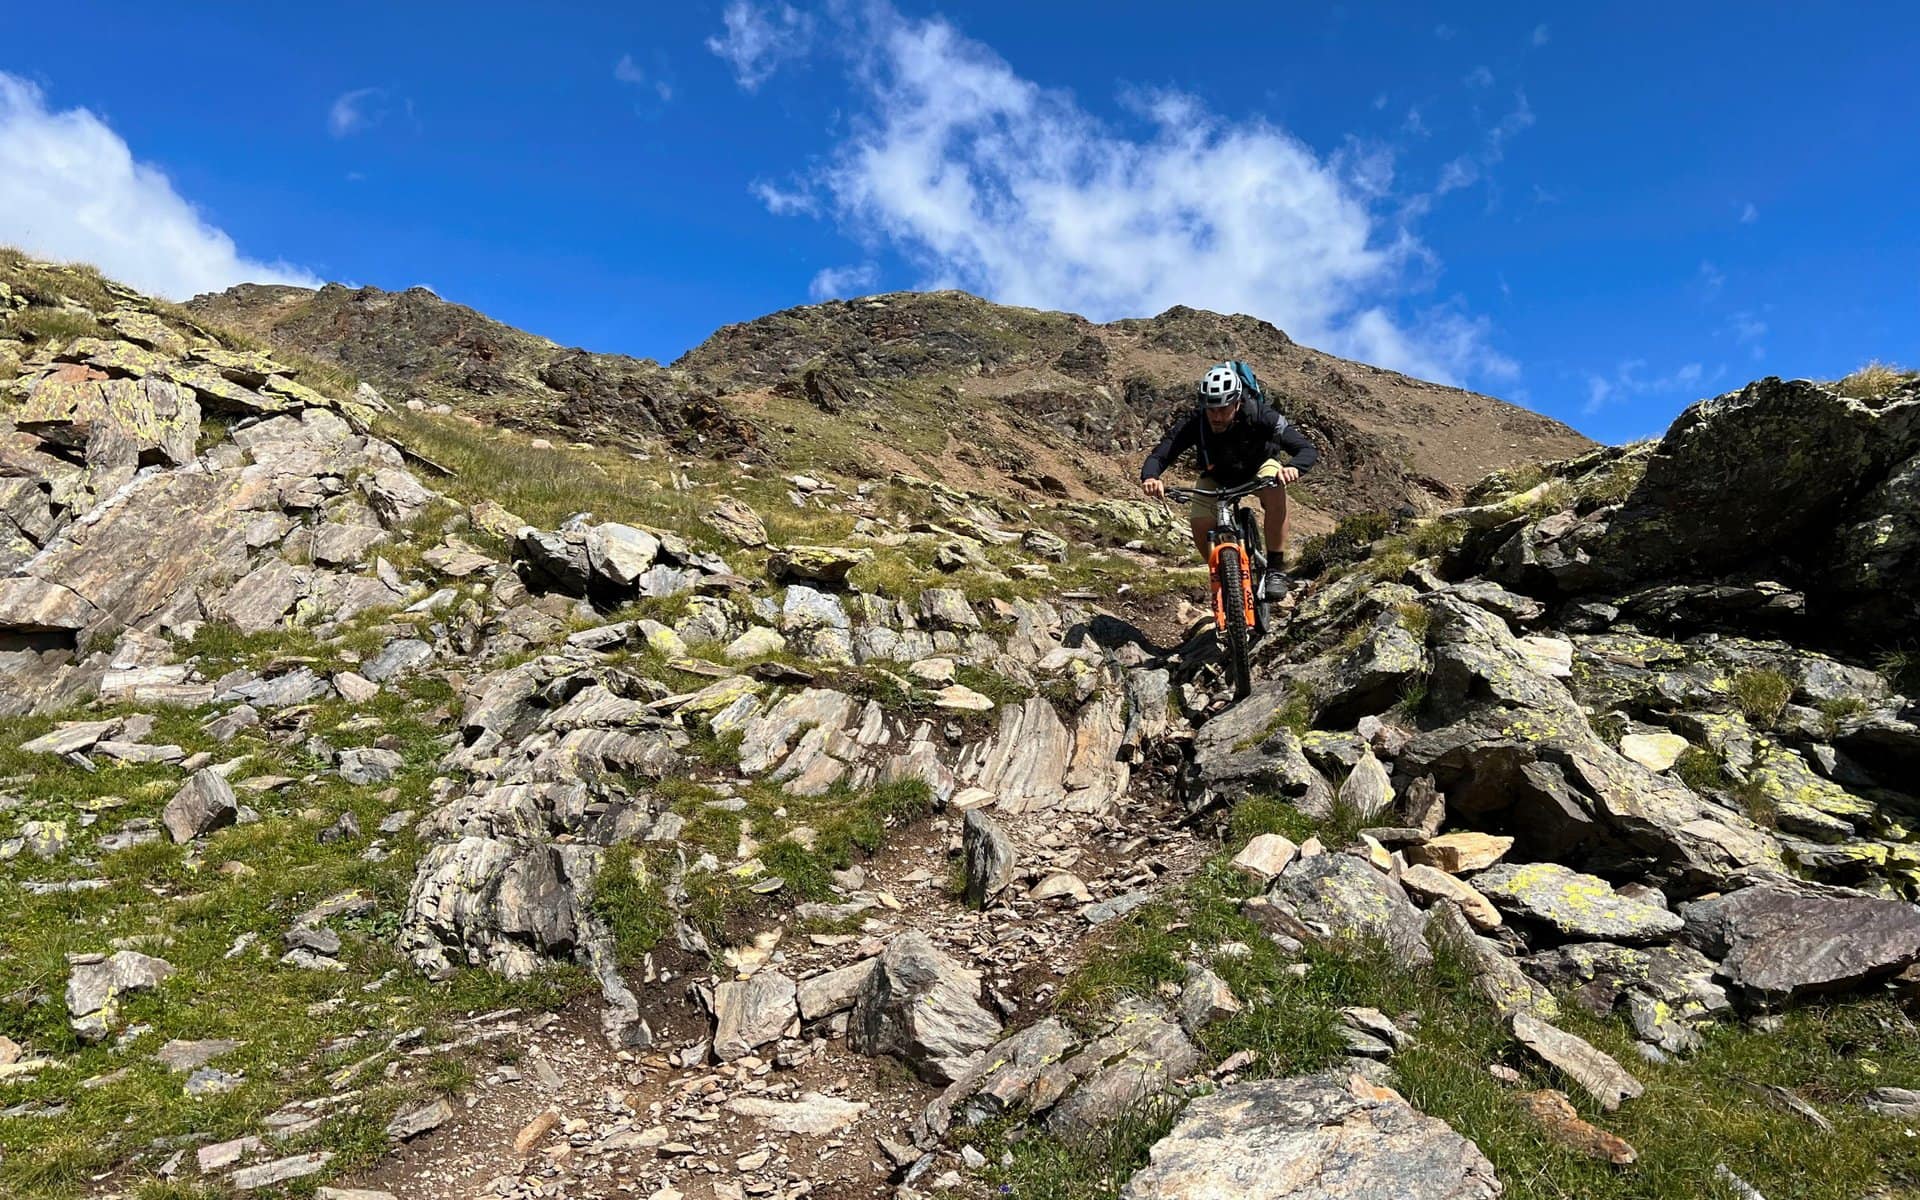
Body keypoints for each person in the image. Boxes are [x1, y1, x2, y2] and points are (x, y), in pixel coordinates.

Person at [1139, 362, 1319, 599]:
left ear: (1237, 402)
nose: (1216, 416)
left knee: (1275, 487)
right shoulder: (1196, 422)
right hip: (1217, 476)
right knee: (1200, 523)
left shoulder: (1260, 415)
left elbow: (1306, 449)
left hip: (1259, 467)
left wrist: (1293, 468)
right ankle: (1223, 578)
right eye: (1211, 409)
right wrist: (1151, 477)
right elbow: (1160, 454)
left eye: (1223, 409)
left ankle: (1275, 568)